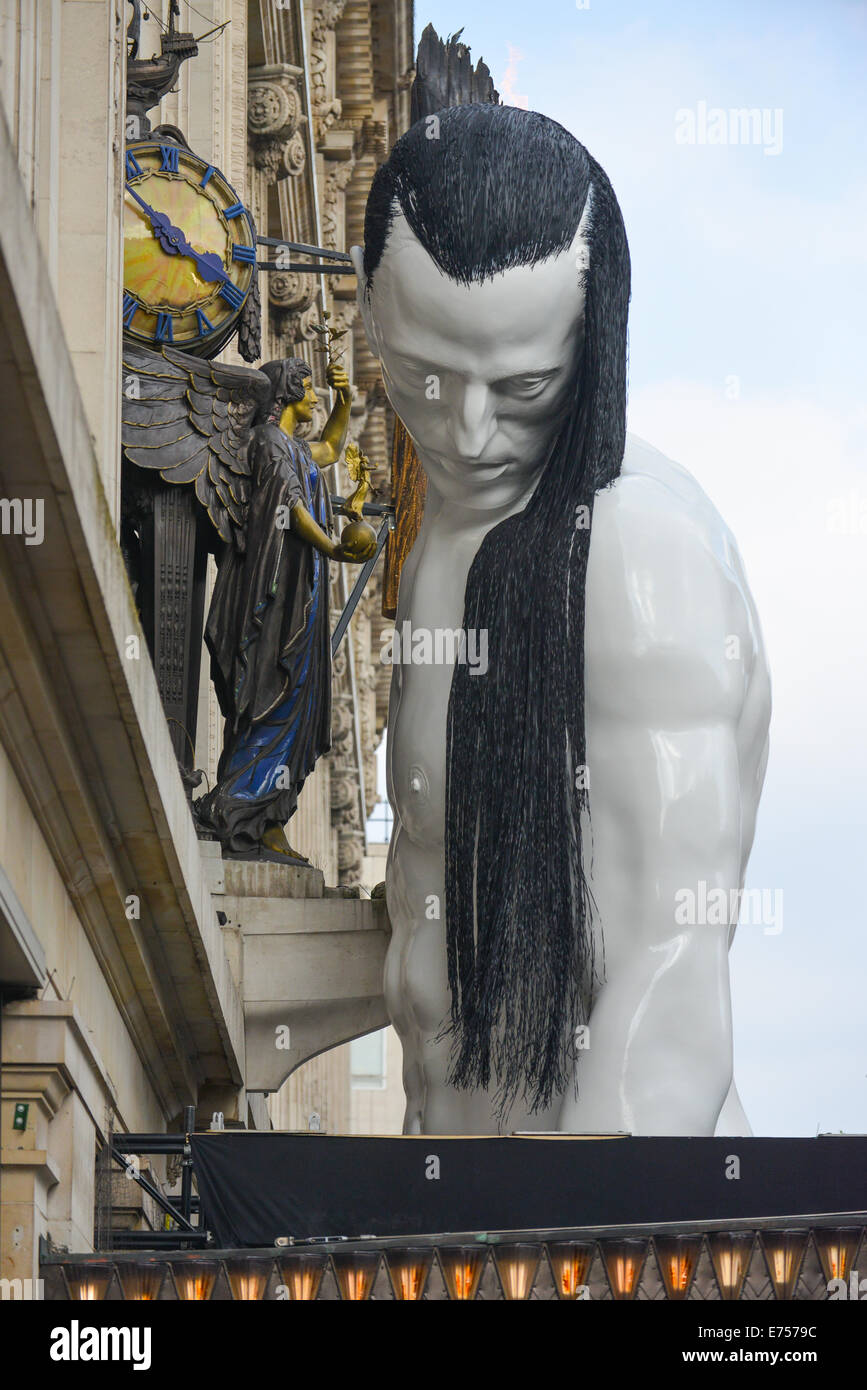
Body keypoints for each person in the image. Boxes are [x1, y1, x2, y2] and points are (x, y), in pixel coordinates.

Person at [351, 103, 771, 1135]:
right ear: (368, 307)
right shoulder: (448, 540)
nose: (467, 432)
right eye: (424, 378)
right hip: (466, 1219)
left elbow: (669, 977)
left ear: (594, 345)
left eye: (523, 386)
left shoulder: (635, 556)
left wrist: (576, 1261)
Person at [196, 358, 375, 861]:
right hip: (274, 594)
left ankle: (267, 819)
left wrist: (345, 401)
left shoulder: (295, 446)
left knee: (295, 698)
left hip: (302, 592)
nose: (316, 400)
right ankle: (232, 808)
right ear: (289, 394)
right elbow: (289, 506)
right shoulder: (269, 441)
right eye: (313, 392)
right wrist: (333, 548)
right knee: (275, 693)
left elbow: (332, 448)